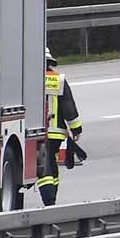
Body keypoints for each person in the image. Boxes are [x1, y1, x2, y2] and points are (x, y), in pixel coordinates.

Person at [37, 48, 84, 205]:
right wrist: (76, 129)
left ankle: (49, 199)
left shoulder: (27, 79)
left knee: (45, 165)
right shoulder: (59, 80)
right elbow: (68, 107)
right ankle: (52, 198)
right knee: (51, 163)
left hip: (36, 133)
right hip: (56, 134)